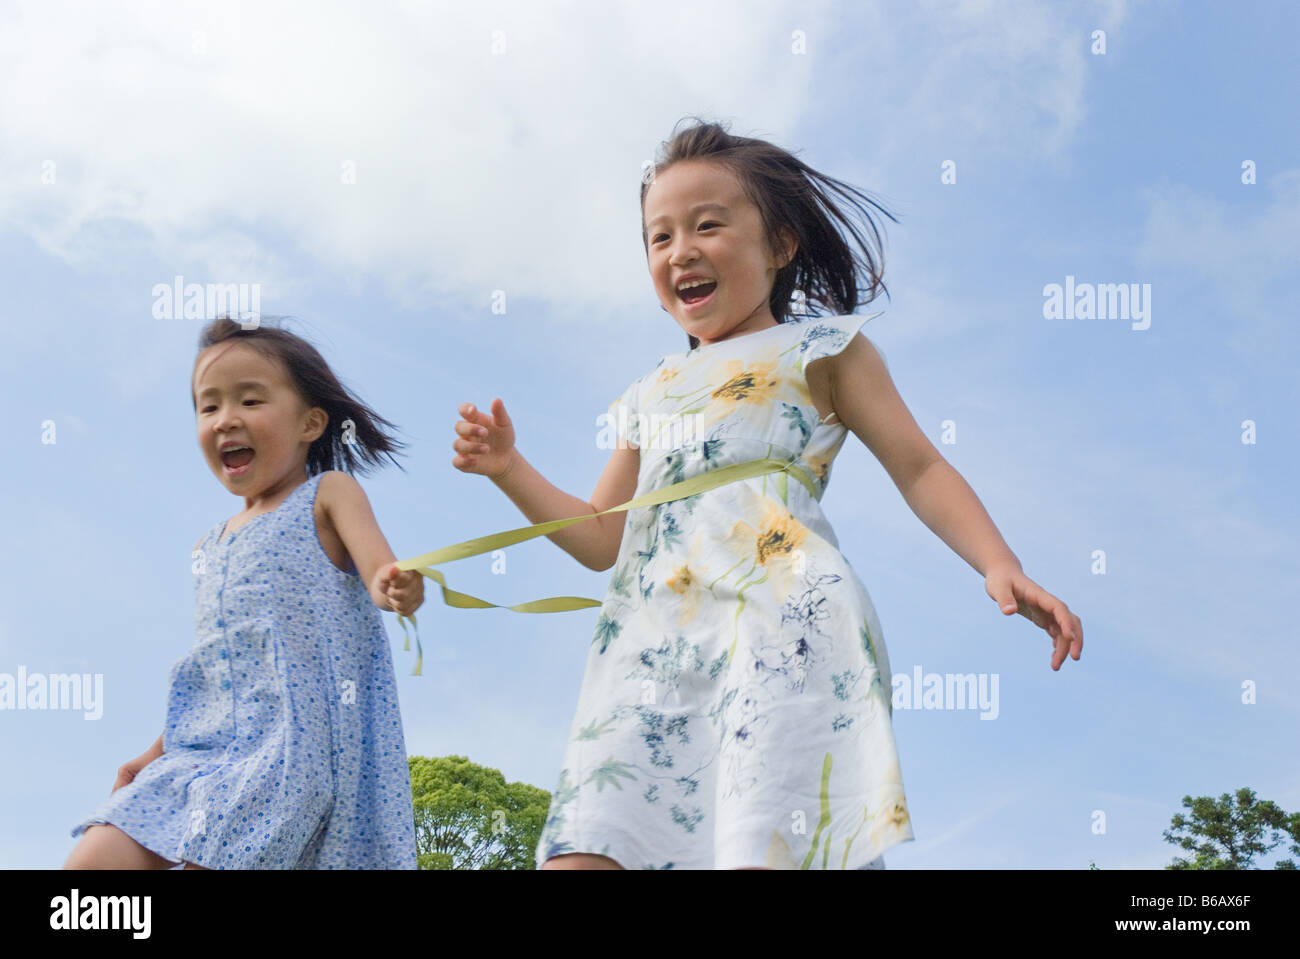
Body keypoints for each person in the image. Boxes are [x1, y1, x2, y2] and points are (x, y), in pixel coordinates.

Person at [451, 118, 1083, 870]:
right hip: (648, 650)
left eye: (707, 225)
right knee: (591, 841)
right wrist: (510, 468)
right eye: (659, 238)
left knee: (767, 841)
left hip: (780, 627)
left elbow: (919, 465)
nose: (680, 249)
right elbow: (599, 534)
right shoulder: (650, 392)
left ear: (780, 245)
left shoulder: (823, 350)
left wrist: (996, 559)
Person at [65, 316, 425, 869]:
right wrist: (154, 754)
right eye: (208, 407)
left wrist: (392, 584)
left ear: (311, 422)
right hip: (202, 756)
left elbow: (380, 572)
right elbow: (222, 673)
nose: (225, 420)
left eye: (250, 401)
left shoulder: (328, 494)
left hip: (289, 757)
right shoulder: (208, 545)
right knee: (95, 859)